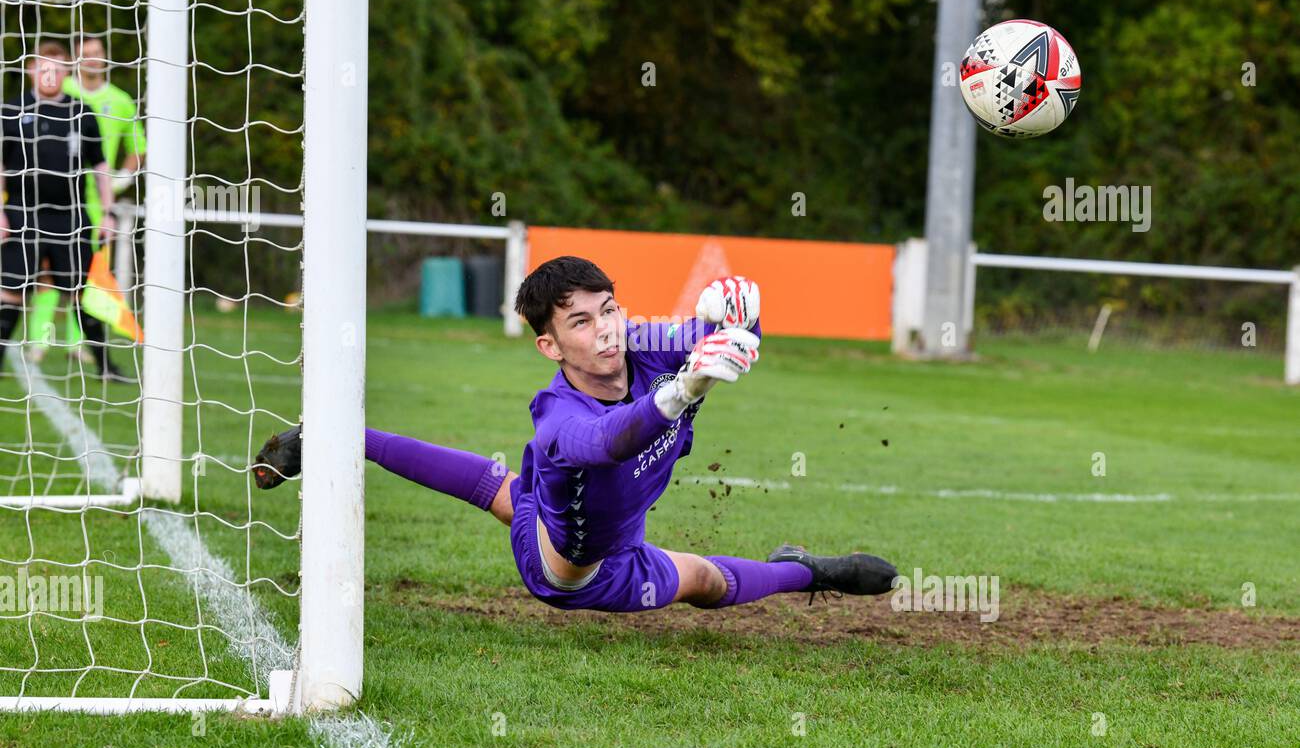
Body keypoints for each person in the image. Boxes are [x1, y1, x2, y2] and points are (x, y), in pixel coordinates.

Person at [253, 257, 898, 614]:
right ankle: (802, 573)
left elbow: (718, 340)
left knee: (502, 488)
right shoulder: (559, 417)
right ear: (550, 345)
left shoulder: (643, 344)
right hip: (577, 569)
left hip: (567, 509)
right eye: (582, 323)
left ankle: (334, 435)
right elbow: (613, 441)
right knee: (701, 578)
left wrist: (737, 313)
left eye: (610, 309)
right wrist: (684, 392)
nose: (607, 330)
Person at [0, 39, 130, 380]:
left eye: (56, 70)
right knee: (10, 291)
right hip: (21, 215)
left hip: (69, 217)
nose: (49, 75)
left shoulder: (81, 111)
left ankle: (105, 367)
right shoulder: (11, 111)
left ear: (66, 72)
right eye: (43, 68)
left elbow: (100, 166)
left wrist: (106, 213)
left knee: (80, 292)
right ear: (31, 70)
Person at [24, 34, 146, 362]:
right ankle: (40, 339)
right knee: (46, 271)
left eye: (97, 52)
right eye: (85, 54)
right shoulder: (65, 92)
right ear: (74, 61)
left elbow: (138, 148)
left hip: (97, 200)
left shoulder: (120, 100)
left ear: (105, 56)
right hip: (59, 196)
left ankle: (79, 345)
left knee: (84, 276)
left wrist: (122, 178)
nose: (92, 59)